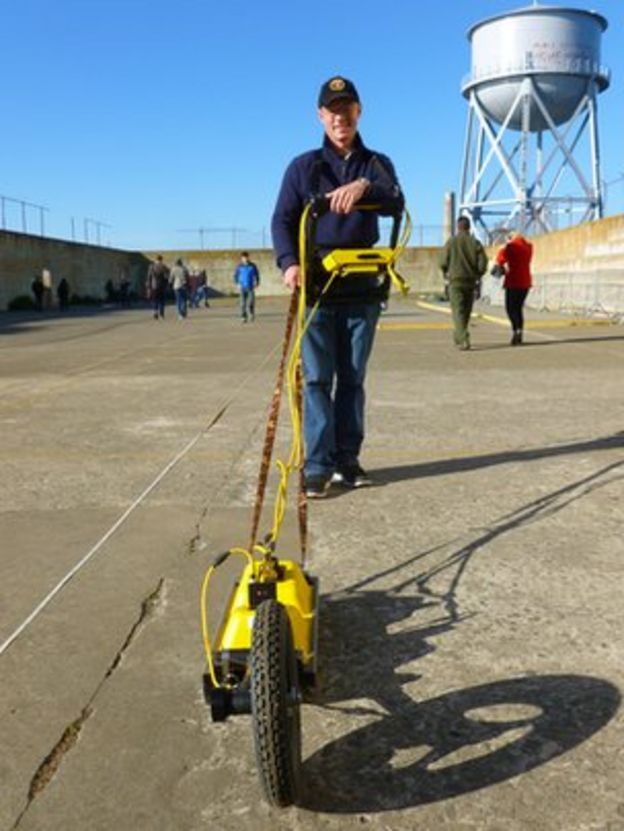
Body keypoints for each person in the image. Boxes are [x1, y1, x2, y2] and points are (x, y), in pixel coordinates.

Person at [271, 75, 404, 498]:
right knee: (315, 380)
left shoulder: (376, 163)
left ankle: (348, 460)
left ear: (358, 112)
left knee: (352, 379)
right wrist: (290, 263)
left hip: (362, 288)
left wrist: (365, 186)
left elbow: (396, 199)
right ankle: (317, 466)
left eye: (347, 108)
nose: (339, 117)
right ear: (320, 116)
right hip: (318, 288)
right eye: (332, 110)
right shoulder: (304, 166)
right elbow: (282, 220)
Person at [439, 216, 487, 350]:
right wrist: (478, 274)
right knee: (466, 311)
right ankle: (458, 336)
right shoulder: (475, 243)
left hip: (455, 281)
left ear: (458, 227)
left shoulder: (451, 242)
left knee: (457, 311)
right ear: (469, 227)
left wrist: (445, 272)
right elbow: (483, 263)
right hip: (471, 281)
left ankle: (464, 338)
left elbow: (442, 261)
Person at [494, 231, 533, 345]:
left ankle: (516, 330)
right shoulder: (529, 247)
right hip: (525, 282)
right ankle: (519, 331)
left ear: (511, 238)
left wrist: (504, 247)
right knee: (518, 308)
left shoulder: (510, 247)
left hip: (513, 281)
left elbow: (500, 259)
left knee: (510, 308)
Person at [233, 252, 260, 322]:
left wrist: (257, 282)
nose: (245, 259)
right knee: (242, 303)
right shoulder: (239, 266)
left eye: (246, 257)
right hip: (242, 287)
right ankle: (243, 316)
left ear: (248, 257)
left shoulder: (253, 266)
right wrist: (237, 284)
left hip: (250, 287)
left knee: (251, 302)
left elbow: (257, 275)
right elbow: (235, 276)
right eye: (243, 258)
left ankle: (251, 313)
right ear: (241, 258)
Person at [146, 255, 169, 319]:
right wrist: (166, 284)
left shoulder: (151, 267)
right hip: (162, 286)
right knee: (162, 300)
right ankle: (161, 314)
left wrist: (148, 287)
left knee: (155, 300)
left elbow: (149, 277)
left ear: (156, 259)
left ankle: (155, 312)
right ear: (161, 260)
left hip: (154, 286)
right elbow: (167, 277)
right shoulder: (164, 267)